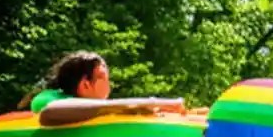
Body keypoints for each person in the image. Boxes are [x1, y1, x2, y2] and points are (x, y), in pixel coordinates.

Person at [18, 51, 186, 126]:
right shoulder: (48, 100)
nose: (110, 83)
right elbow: (50, 112)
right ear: (85, 84)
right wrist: (160, 102)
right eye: (104, 77)